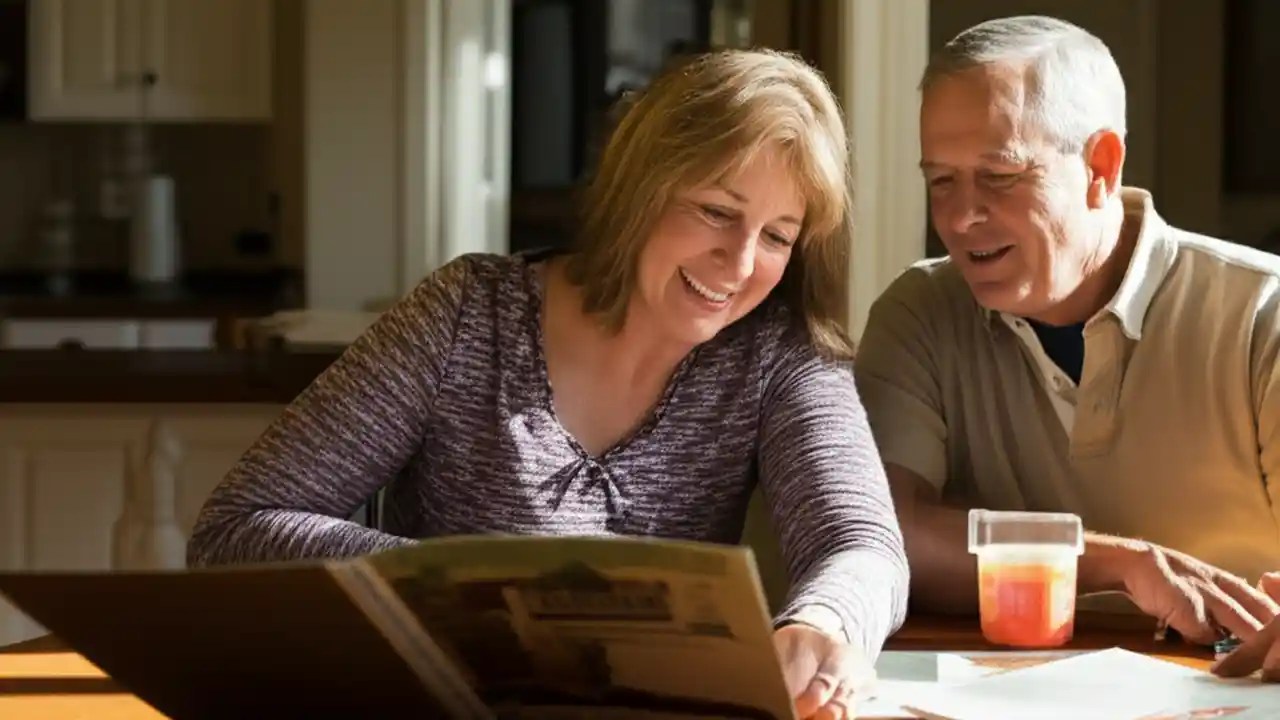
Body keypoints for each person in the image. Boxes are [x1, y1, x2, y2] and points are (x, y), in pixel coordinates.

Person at [188, 49, 909, 717]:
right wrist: (476, 584)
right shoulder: (468, 312)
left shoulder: (780, 357)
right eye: (716, 212)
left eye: (778, 235)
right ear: (639, 191)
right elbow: (234, 529)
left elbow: (863, 545)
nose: (740, 262)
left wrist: (823, 623)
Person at [854, 14, 1280, 673]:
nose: (960, 217)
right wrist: (1119, 563)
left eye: (998, 176)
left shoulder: (1263, 312)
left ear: (1100, 166)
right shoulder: (918, 315)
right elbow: (880, 536)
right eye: (941, 180)